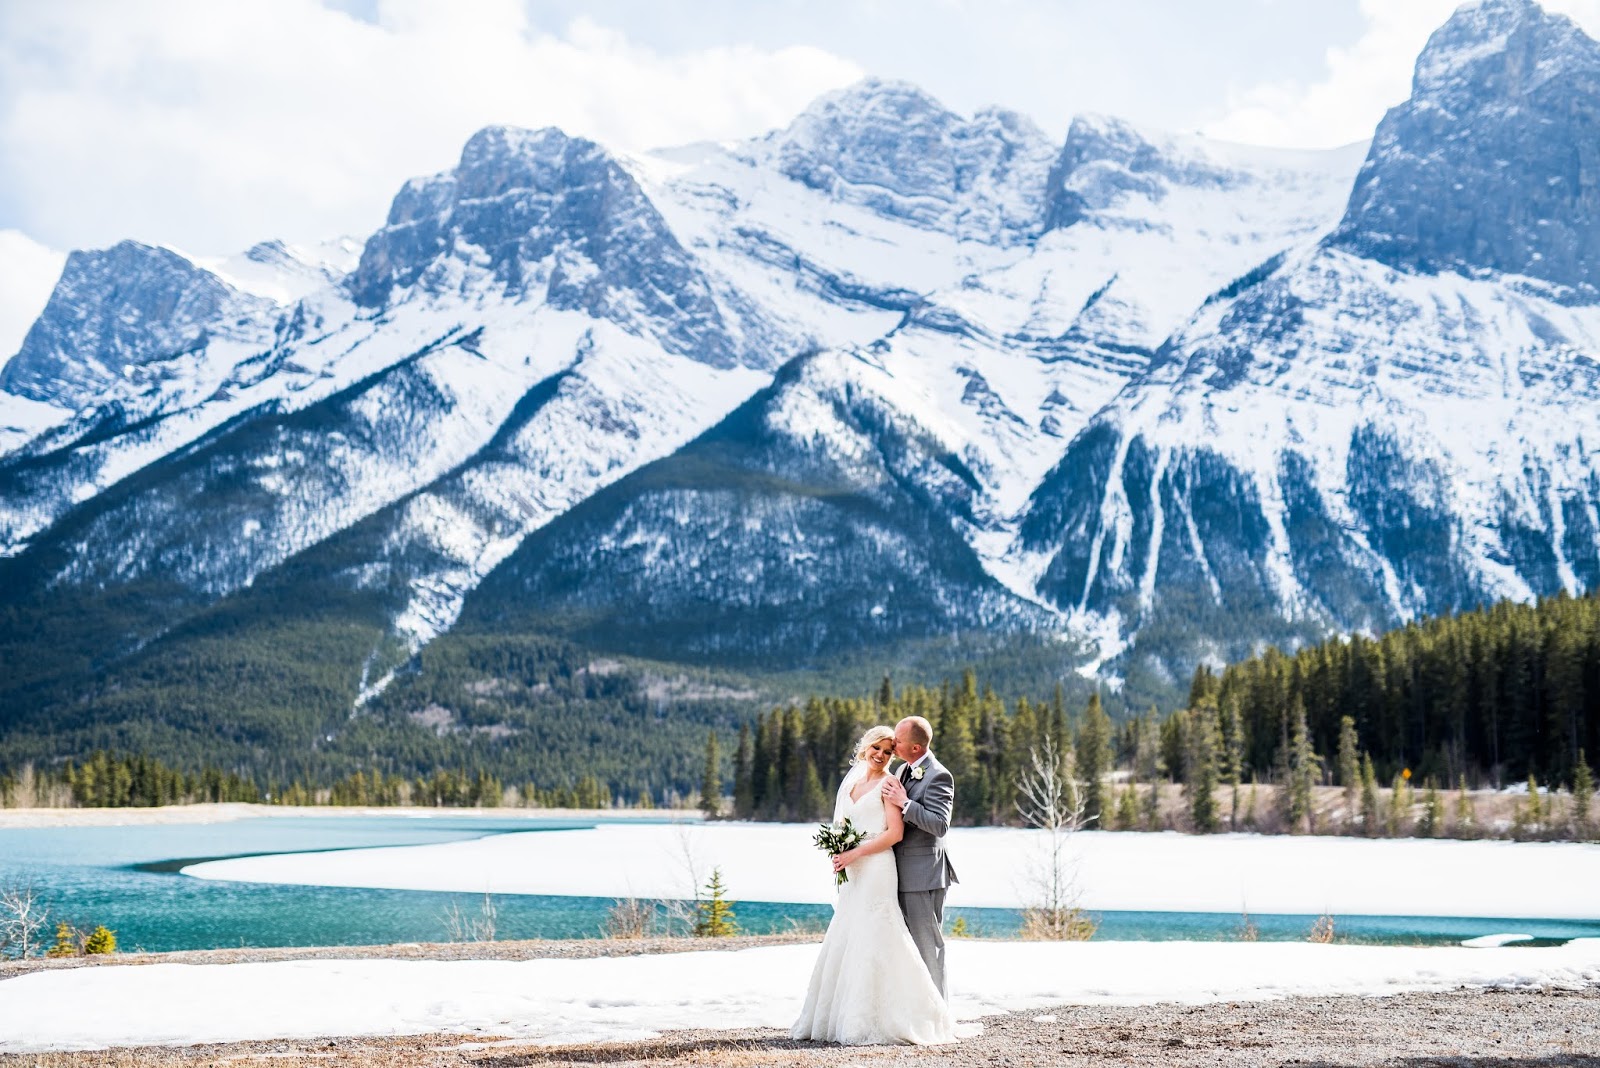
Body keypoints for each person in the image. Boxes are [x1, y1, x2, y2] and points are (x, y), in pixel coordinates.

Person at [790, 725, 956, 1045]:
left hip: (886, 868)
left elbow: (900, 832)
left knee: (894, 937)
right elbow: (845, 823)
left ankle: (928, 1014)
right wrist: (840, 850)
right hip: (857, 871)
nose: (881, 754)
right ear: (864, 747)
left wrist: (856, 852)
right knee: (852, 935)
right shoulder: (855, 781)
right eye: (876, 748)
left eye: (889, 750)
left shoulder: (896, 782)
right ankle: (844, 1013)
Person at [880, 714, 957, 997]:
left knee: (928, 947)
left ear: (916, 747)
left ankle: (938, 1012)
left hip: (924, 876)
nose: (893, 744)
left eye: (898, 740)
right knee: (907, 949)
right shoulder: (903, 769)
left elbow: (939, 825)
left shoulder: (939, 775)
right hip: (899, 872)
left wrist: (905, 803)